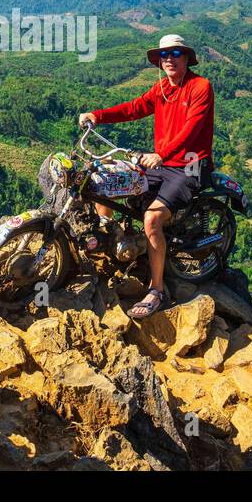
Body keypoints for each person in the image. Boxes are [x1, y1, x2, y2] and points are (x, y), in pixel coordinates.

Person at [78, 34, 215, 318]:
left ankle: (157, 290)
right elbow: (134, 108)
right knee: (108, 186)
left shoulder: (200, 87)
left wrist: (161, 153)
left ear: (187, 57)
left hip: (190, 167)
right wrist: (98, 115)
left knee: (151, 219)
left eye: (175, 53)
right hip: (161, 164)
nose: (169, 59)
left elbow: (191, 129)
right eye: (164, 55)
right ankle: (112, 243)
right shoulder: (162, 88)